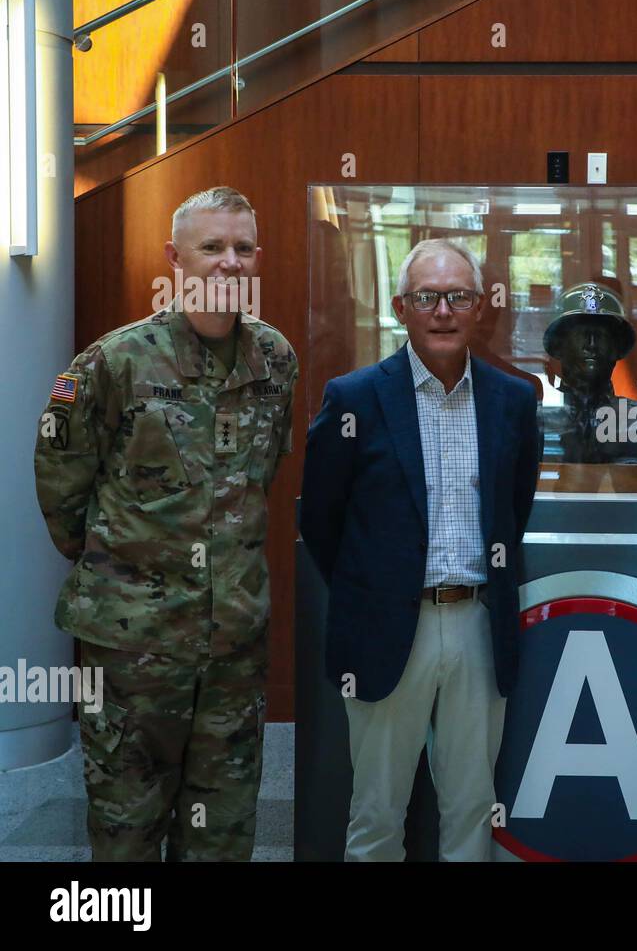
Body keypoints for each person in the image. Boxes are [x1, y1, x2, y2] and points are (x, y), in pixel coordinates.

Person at [33, 186, 298, 861]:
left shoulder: (275, 362)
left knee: (223, 828)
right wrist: (122, 577)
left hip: (233, 646)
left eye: (242, 248)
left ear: (258, 257)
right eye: (211, 247)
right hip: (134, 653)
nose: (228, 263)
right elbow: (63, 489)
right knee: (127, 830)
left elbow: (259, 478)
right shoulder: (113, 363)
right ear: (175, 257)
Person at [299, 239, 540, 861]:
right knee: (377, 814)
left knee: (470, 811)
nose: (442, 311)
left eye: (457, 296)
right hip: (385, 627)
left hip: (478, 629)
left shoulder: (512, 400)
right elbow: (323, 522)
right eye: (426, 297)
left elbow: (514, 509)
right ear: (400, 307)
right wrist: (375, 586)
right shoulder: (353, 399)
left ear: (480, 306)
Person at [540, 282, 637, 465]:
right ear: (559, 346)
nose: (591, 345)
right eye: (581, 334)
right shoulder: (540, 421)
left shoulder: (632, 418)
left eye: (601, 335)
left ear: (617, 349)